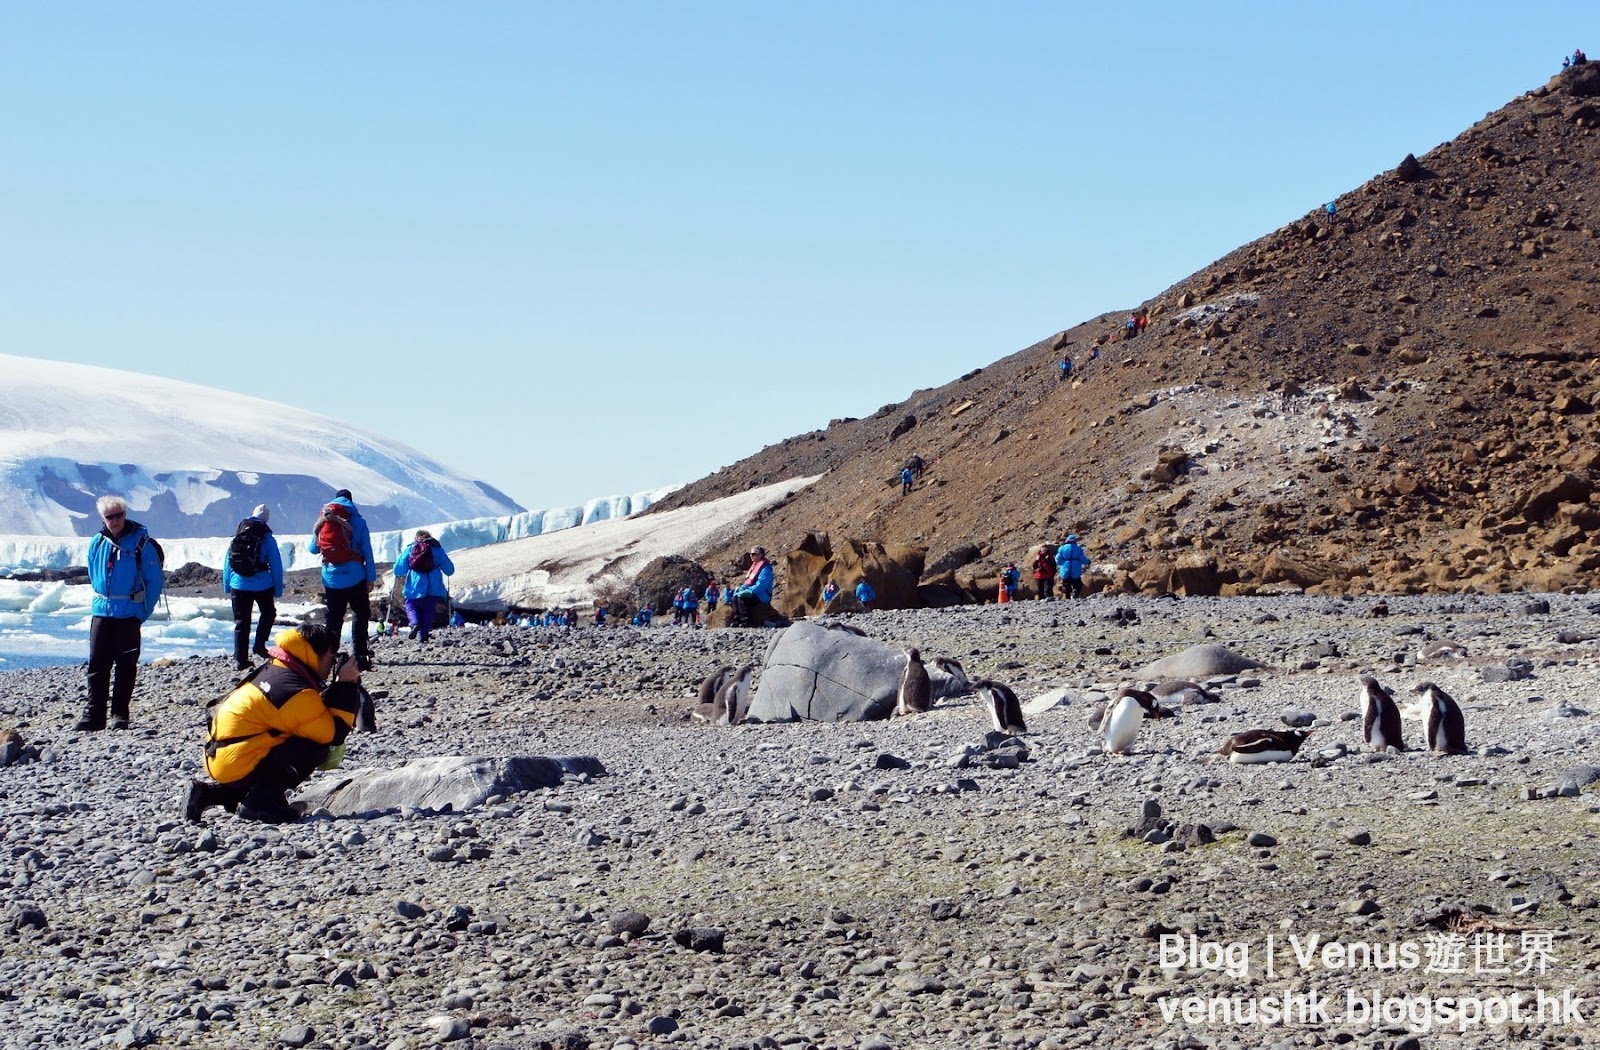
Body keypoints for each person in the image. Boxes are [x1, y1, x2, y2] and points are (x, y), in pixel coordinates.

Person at [184, 624, 362, 825]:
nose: (333, 663)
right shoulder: (294, 691)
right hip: (237, 760)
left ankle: (207, 794)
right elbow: (332, 734)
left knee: (281, 742)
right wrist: (345, 686)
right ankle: (260, 804)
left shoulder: (276, 669)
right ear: (315, 654)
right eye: (332, 656)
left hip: (221, 758)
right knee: (314, 747)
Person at [81, 496, 165, 730]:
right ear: (102, 518)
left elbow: (154, 581)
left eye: (119, 515)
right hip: (102, 612)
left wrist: (140, 613)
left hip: (128, 614)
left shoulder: (141, 543)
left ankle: (120, 715)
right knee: (97, 665)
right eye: (110, 517)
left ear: (125, 514)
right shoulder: (96, 542)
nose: (115, 520)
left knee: (125, 666)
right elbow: (92, 572)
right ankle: (94, 716)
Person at [309, 489, 377, 670]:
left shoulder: (324, 520)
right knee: (360, 614)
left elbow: (312, 549)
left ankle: (329, 657)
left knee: (334, 617)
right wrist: (371, 577)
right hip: (355, 576)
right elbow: (367, 552)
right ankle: (360, 655)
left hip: (331, 578)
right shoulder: (359, 522)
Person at [223, 504, 283, 670]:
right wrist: (278, 589)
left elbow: (228, 563)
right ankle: (259, 645)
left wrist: (227, 585)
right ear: (266, 519)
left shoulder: (239, 534)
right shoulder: (268, 538)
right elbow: (276, 565)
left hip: (239, 584)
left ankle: (240, 659)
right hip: (262, 585)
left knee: (242, 622)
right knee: (268, 613)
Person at [393, 529, 454, 641]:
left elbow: (398, 569)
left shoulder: (411, 548)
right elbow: (449, 570)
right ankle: (424, 635)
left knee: (411, 605)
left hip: (415, 583)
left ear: (416, 538)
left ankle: (414, 623)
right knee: (429, 609)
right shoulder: (437, 549)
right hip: (433, 585)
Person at [730, 546, 775, 627]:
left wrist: (749, 591)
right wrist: (741, 590)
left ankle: (746, 620)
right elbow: (748, 582)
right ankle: (737, 619)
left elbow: (761, 585)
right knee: (734, 598)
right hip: (753, 592)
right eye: (751, 554)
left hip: (762, 594)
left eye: (754, 554)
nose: (751, 556)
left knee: (742, 599)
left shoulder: (766, 569)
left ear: (760, 555)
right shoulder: (754, 567)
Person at [1056, 533, 1089, 599]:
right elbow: (1083, 559)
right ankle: (1075, 595)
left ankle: (1067, 597)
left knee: (1066, 583)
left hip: (1065, 568)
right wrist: (1087, 562)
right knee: (1077, 584)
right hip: (1076, 568)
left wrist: (1061, 563)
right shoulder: (1078, 549)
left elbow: (1057, 559)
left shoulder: (1062, 548)